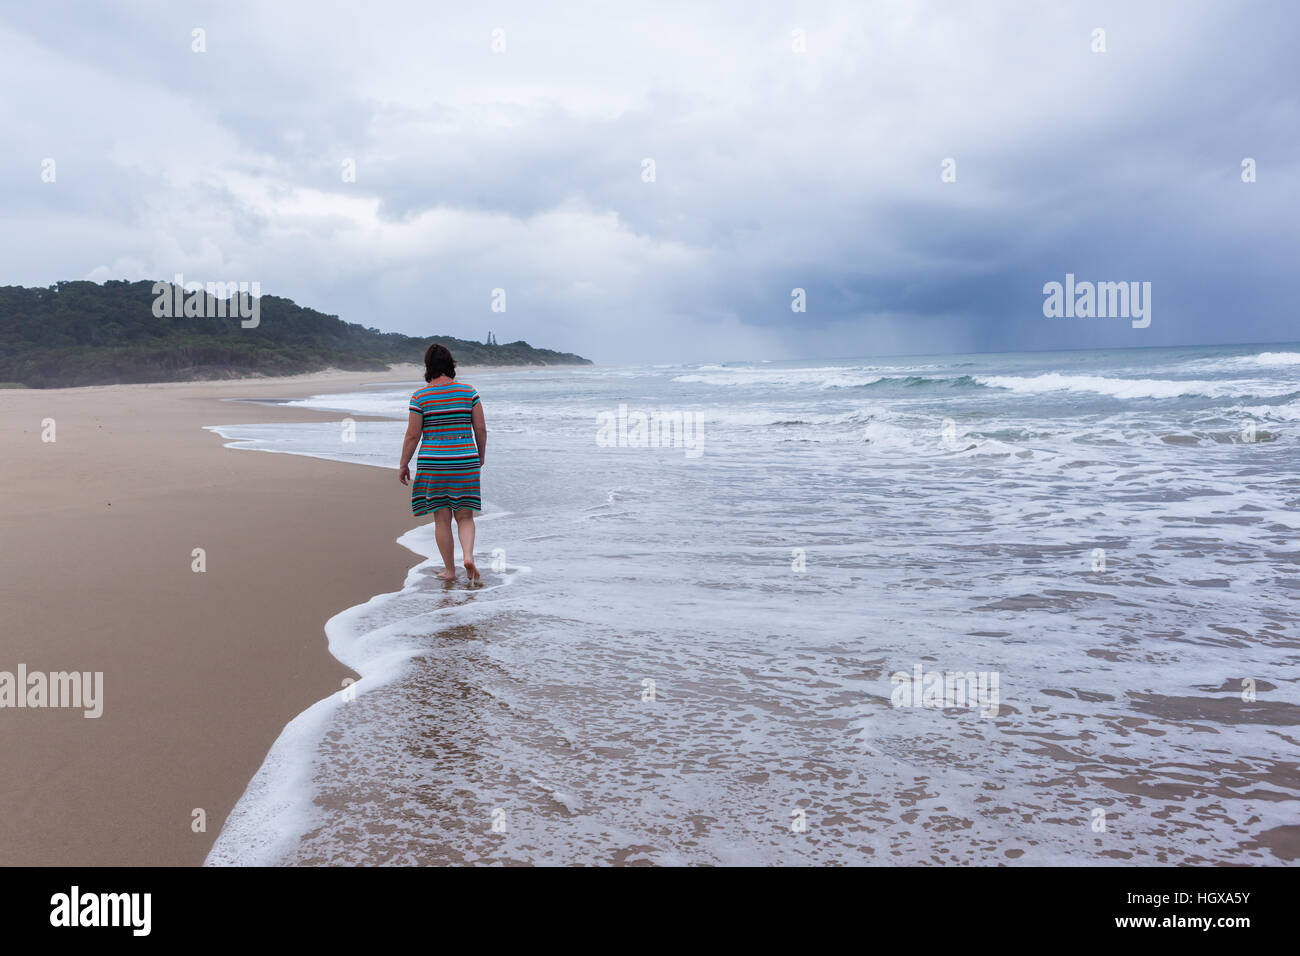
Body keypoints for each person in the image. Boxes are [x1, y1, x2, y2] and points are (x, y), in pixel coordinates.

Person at [398, 343, 487, 583]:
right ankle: (468, 556)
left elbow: (413, 435)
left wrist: (403, 463)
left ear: (428, 367)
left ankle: (450, 570)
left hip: (434, 463)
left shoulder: (420, 397)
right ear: (451, 365)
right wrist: (480, 455)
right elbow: (480, 428)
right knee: (465, 516)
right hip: (465, 460)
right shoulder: (469, 392)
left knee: (442, 518)